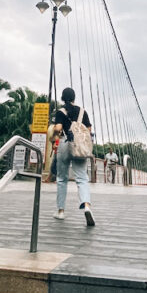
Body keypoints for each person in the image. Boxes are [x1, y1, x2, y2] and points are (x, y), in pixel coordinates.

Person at [53, 87, 95, 226]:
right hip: (79, 146)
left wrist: (54, 136)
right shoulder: (83, 112)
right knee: (82, 177)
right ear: (74, 97)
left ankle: (60, 211)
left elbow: (58, 128)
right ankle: (87, 205)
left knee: (62, 178)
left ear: (62, 97)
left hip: (65, 144)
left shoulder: (60, 111)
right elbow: (88, 130)